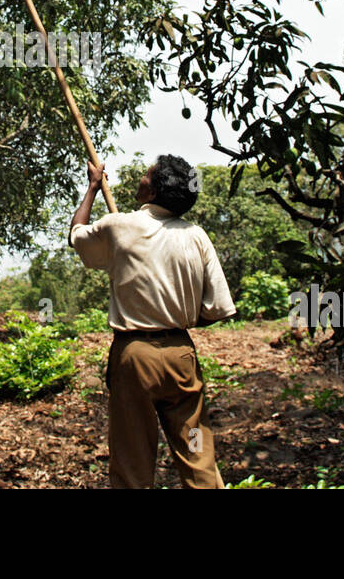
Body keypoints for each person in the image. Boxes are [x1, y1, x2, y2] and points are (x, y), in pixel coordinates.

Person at [68, 155, 236, 488]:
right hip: (180, 357)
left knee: (132, 458)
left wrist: (91, 187)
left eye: (147, 175)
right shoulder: (196, 236)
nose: (141, 179)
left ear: (154, 190)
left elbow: (77, 235)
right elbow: (217, 308)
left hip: (134, 357)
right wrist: (177, 317)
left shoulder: (120, 226)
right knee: (197, 449)